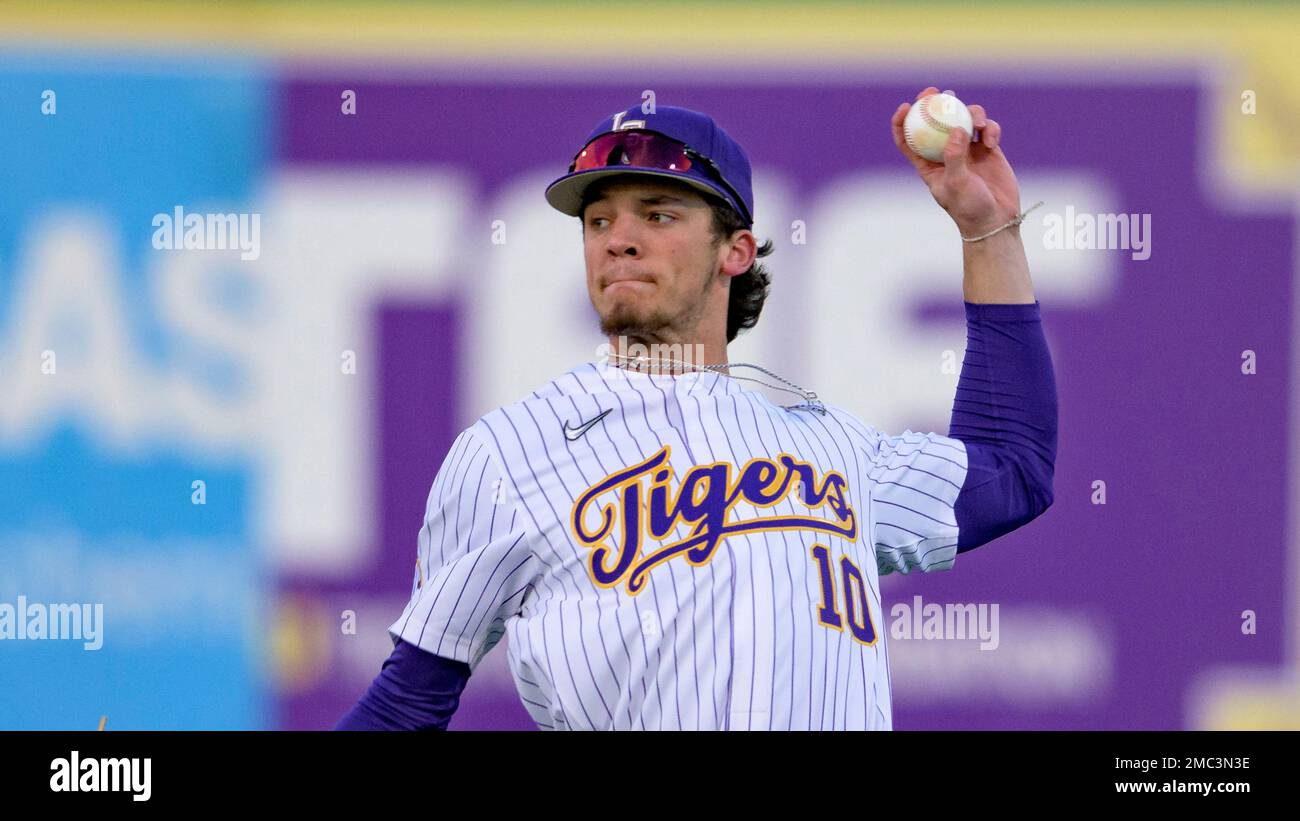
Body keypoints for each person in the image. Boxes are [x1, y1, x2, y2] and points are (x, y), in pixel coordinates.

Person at [335, 89, 1057, 730]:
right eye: (598, 220)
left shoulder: (834, 448)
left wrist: (988, 229)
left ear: (735, 250)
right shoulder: (505, 454)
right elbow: (407, 704)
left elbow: (1011, 469)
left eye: (658, 213)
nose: (619, 239)